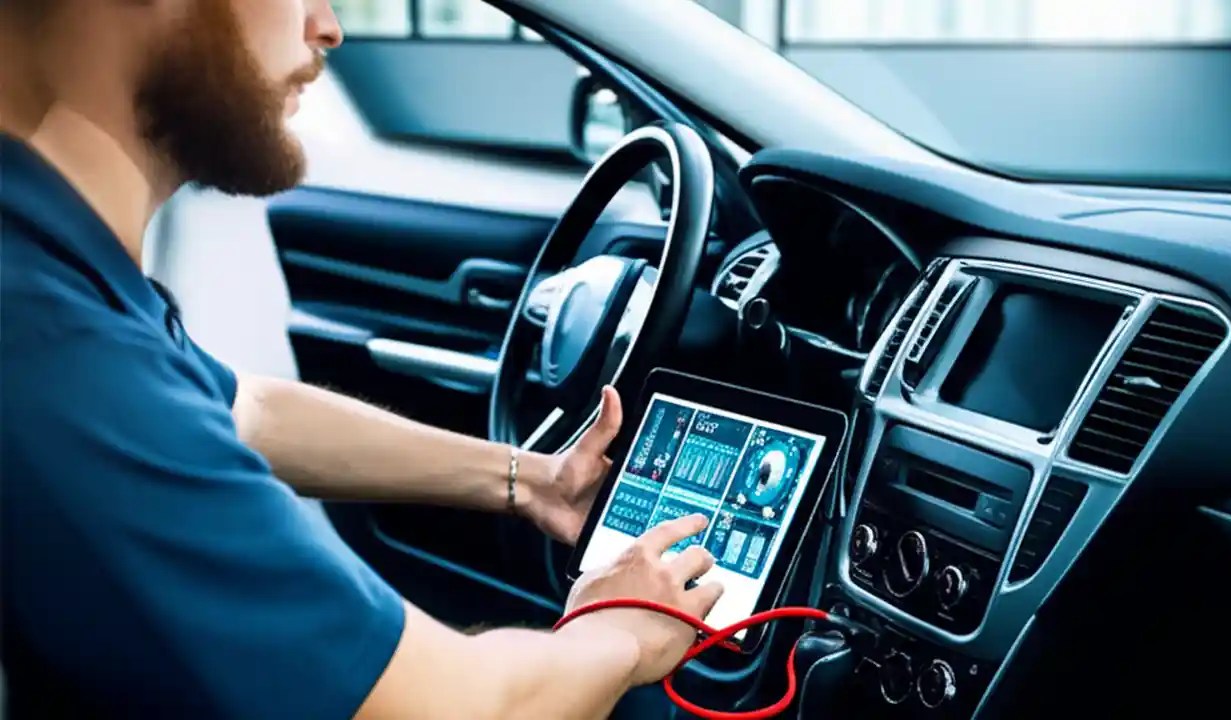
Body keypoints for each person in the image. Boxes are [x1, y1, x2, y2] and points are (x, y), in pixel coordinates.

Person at [0, 1, 724, 718]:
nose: (327, 25)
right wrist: (621, 631)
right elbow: (461, 711)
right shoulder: (64, 359)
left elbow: (249, 410)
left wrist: (534, 481)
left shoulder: (51, 269)